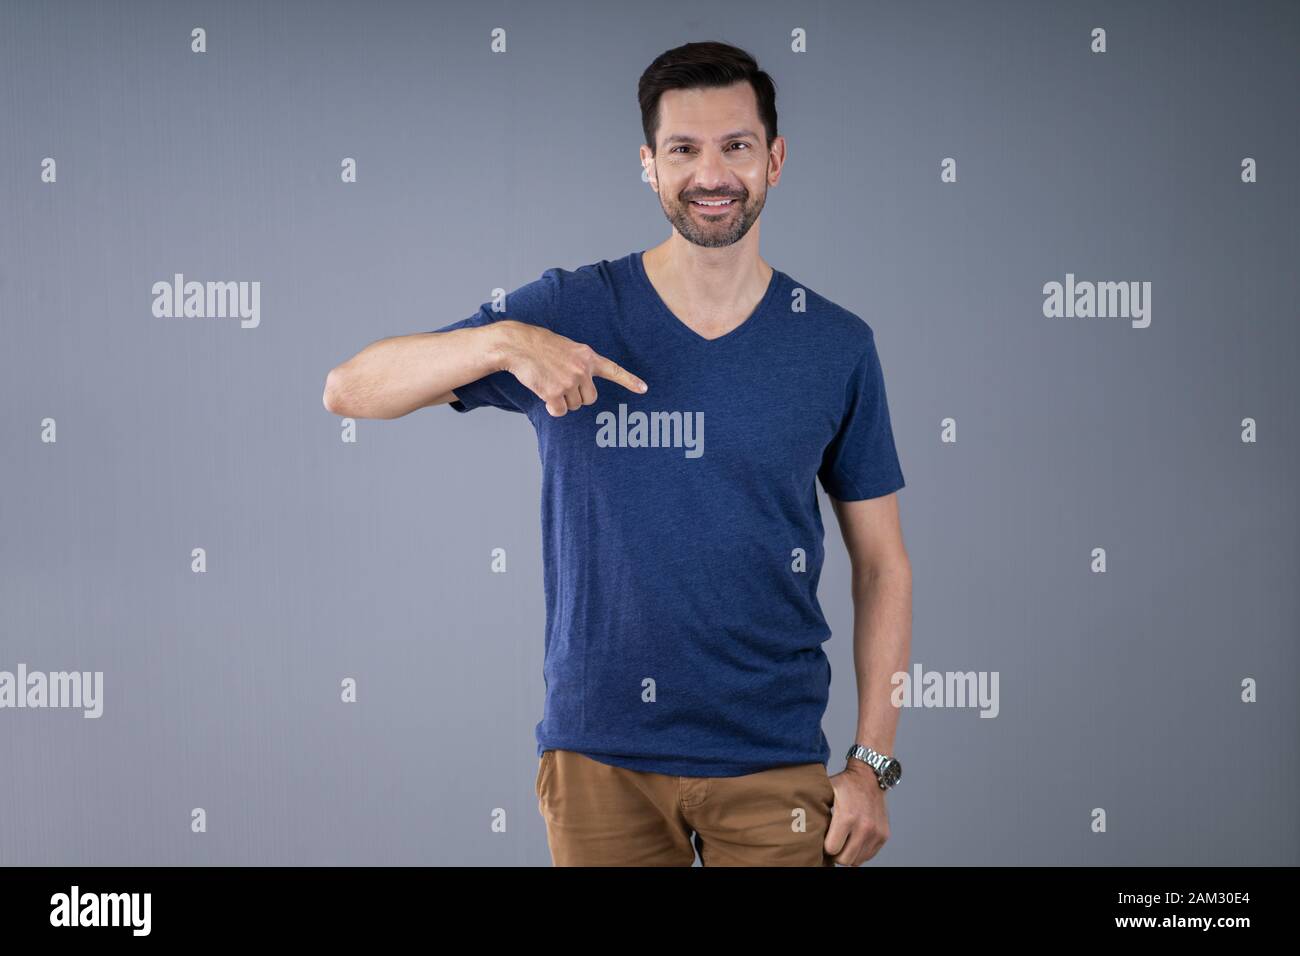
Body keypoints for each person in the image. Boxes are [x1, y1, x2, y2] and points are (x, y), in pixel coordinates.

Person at [322, 40, 912, 867]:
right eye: (684, 149)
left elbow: (882, 564)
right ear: (649, 164)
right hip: (598, 758)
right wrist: (504, 341)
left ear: (774, 157)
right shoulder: (567, 310)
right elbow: (350, 389)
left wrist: (872, 763)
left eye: (736, 146)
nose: (712, 173)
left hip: (774, 762)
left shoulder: (836, 344)